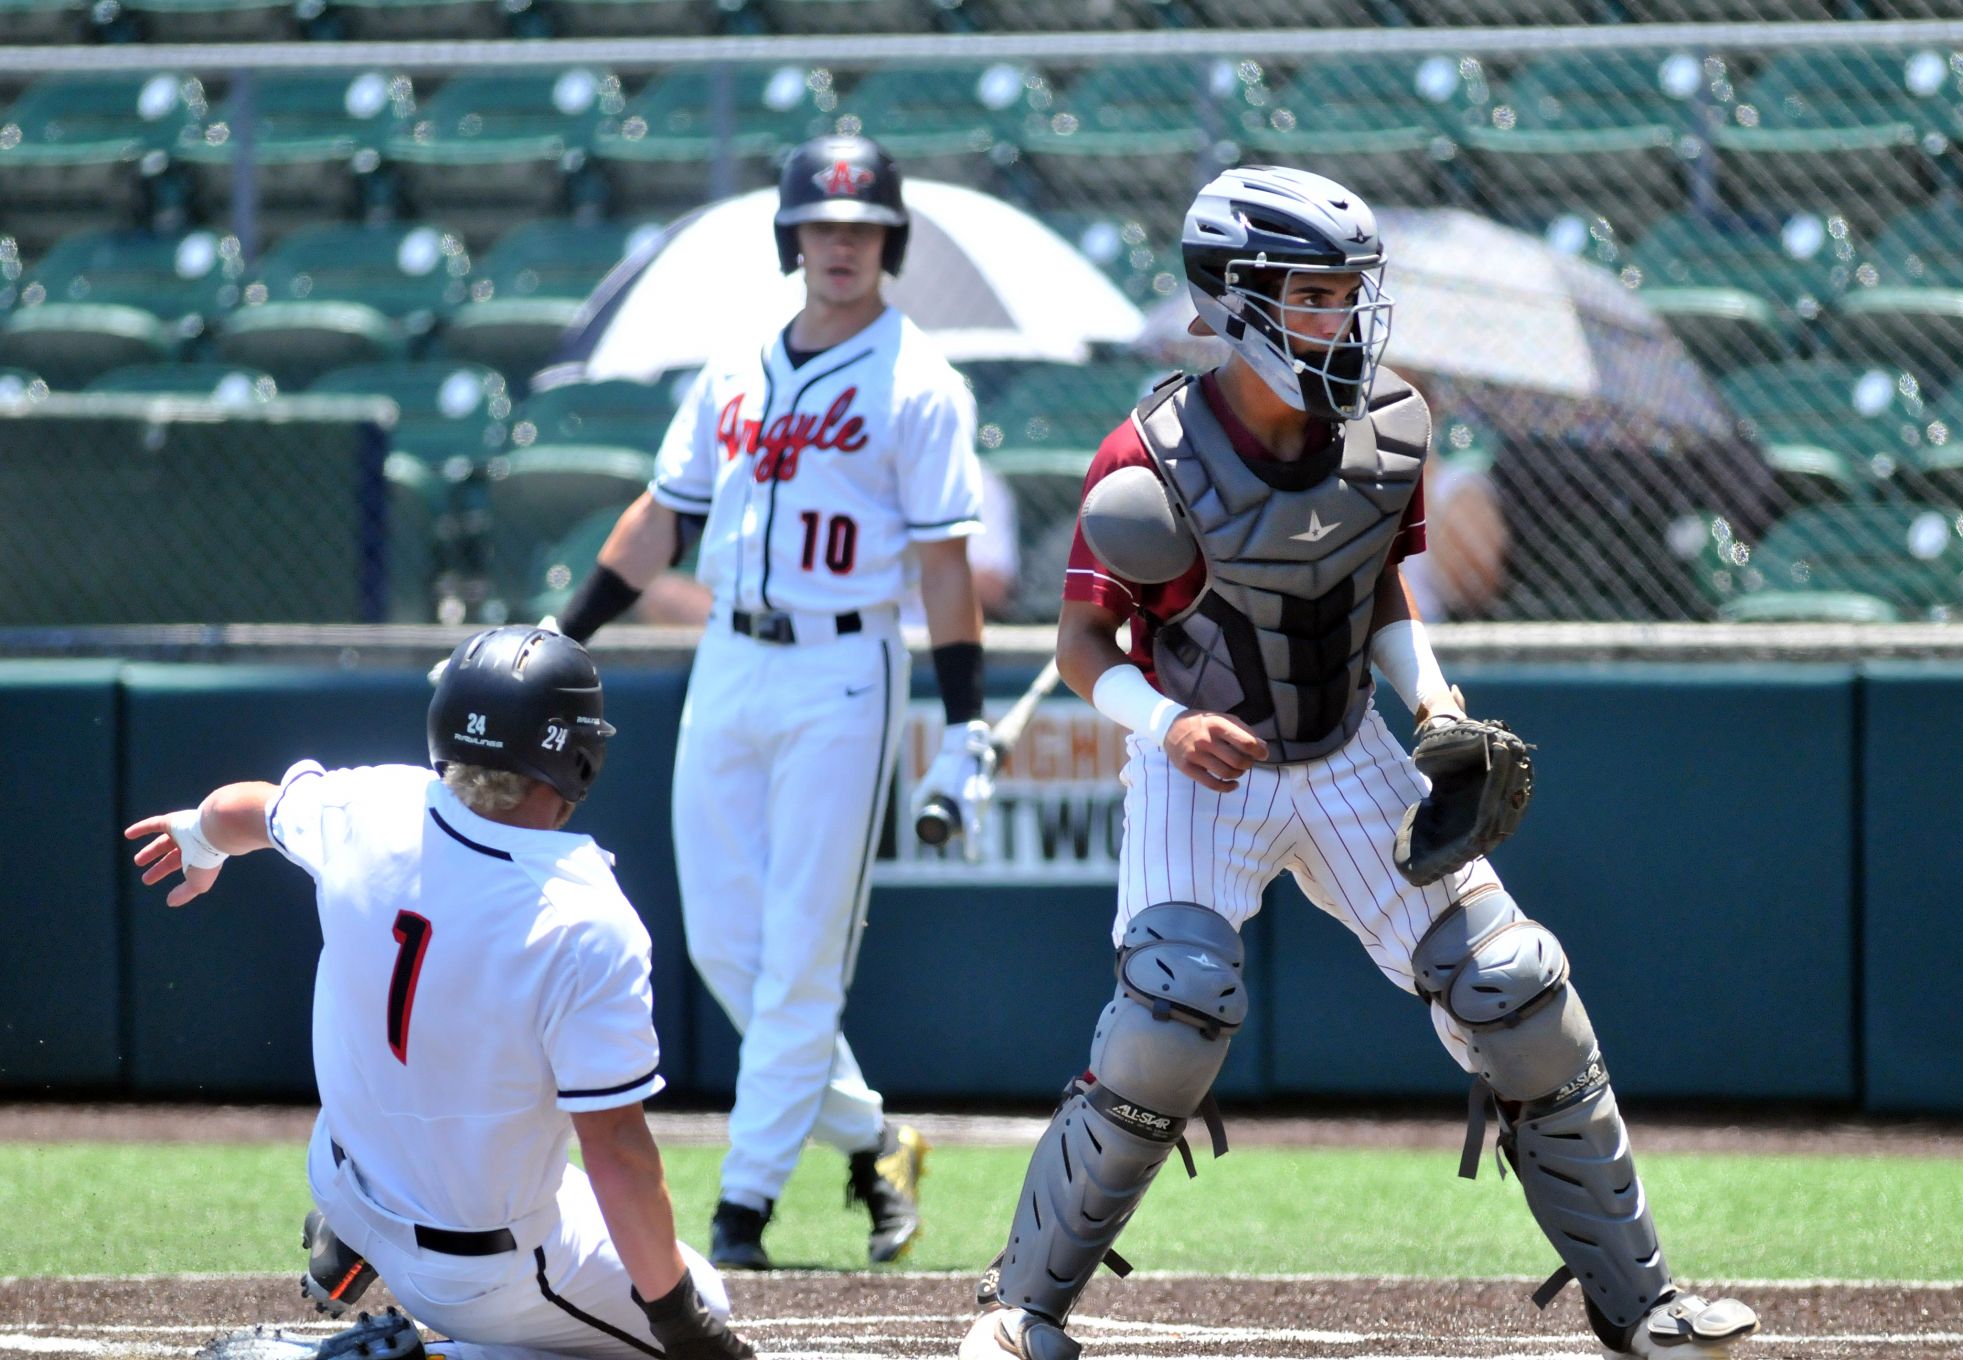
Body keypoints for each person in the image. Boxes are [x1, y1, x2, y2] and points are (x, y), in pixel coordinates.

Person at [960, 166, 1759, 1360]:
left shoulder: (1388, 428)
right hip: (1203, 767)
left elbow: (1373, 584)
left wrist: (1430, 697)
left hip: (1345, 751)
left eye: (1348, 291)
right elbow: (1081, 646)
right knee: (1170, 1011)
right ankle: (1019, 1308)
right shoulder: (1148, 459)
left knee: (1517, 992)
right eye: (1315, 293)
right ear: (1234, 300)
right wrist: (1159, 723)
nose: (1345, 317)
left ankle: (1640, 1307)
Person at [552, 132, 989, 1271]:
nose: (839, 243)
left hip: (845, 666)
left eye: (861, 228)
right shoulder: (734, 362)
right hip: (729, 660)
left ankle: (741, 1206)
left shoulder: (924, 382)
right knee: (718, 946)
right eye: (821, 225)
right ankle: (876, 1136)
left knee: (797, 956)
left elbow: (943, 568)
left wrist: (964, 718)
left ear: (887, 241)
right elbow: (661, 516)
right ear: (789, 235)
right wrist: (562, 634)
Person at [127, 626, 753, 1360]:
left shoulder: (368, 803)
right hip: (473, 1266)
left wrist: (198, 838)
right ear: (577, 755)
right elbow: (618, 1151)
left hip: (344, 1179)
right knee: (695, 1297)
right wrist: (681, 1326)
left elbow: (244, 810)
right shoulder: (584, 917)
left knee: (535, 1164)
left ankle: (358, 1243)